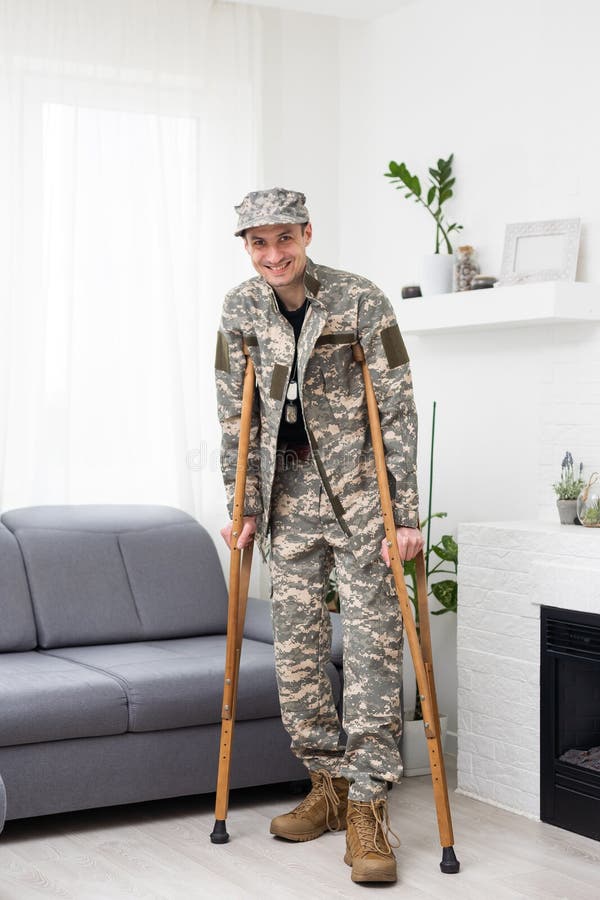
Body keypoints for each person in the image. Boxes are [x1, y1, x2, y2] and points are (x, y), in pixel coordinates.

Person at [215, 187, 423, 885]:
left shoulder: (362, 300)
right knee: (297, 655)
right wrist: (240, 503)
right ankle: (326, 784)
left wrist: (407, 513)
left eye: (283, 238)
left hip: (363, 500)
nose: (273, 254)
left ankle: (368, 805)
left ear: (306, 232)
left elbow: (395, 407)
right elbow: (230, 413)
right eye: (257, 243)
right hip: (285, 500)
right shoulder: (240, 309)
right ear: (247, 247)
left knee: (371, 649)